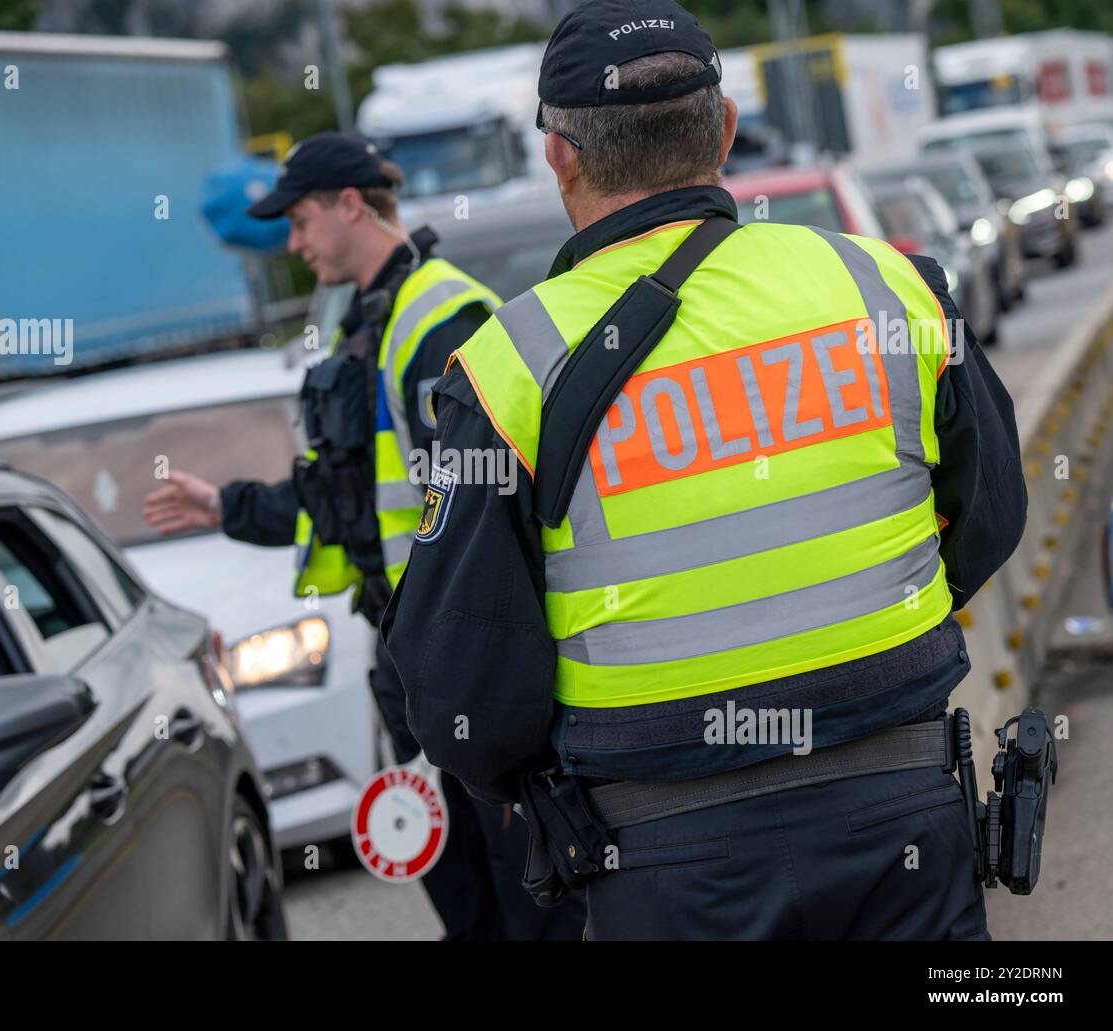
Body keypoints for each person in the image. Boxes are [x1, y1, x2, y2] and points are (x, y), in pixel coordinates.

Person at [383, 0, 1027, 940]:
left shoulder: (505, 367)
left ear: (558, 154)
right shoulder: (884, 285)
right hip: (901, 816)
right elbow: (990, 515)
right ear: (724, 129)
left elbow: (458, 682)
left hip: (662, 855)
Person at [142, 132, 586, 941]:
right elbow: (352, 499)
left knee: (527, 895)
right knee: (460, 883)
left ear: (352, 205)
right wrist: (228, 507)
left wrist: (467, 654)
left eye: (302, 220)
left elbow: (488, 501)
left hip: (467, 652)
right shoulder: (369, 320)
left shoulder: (441, 315)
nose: (295, 241)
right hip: (415, 655)